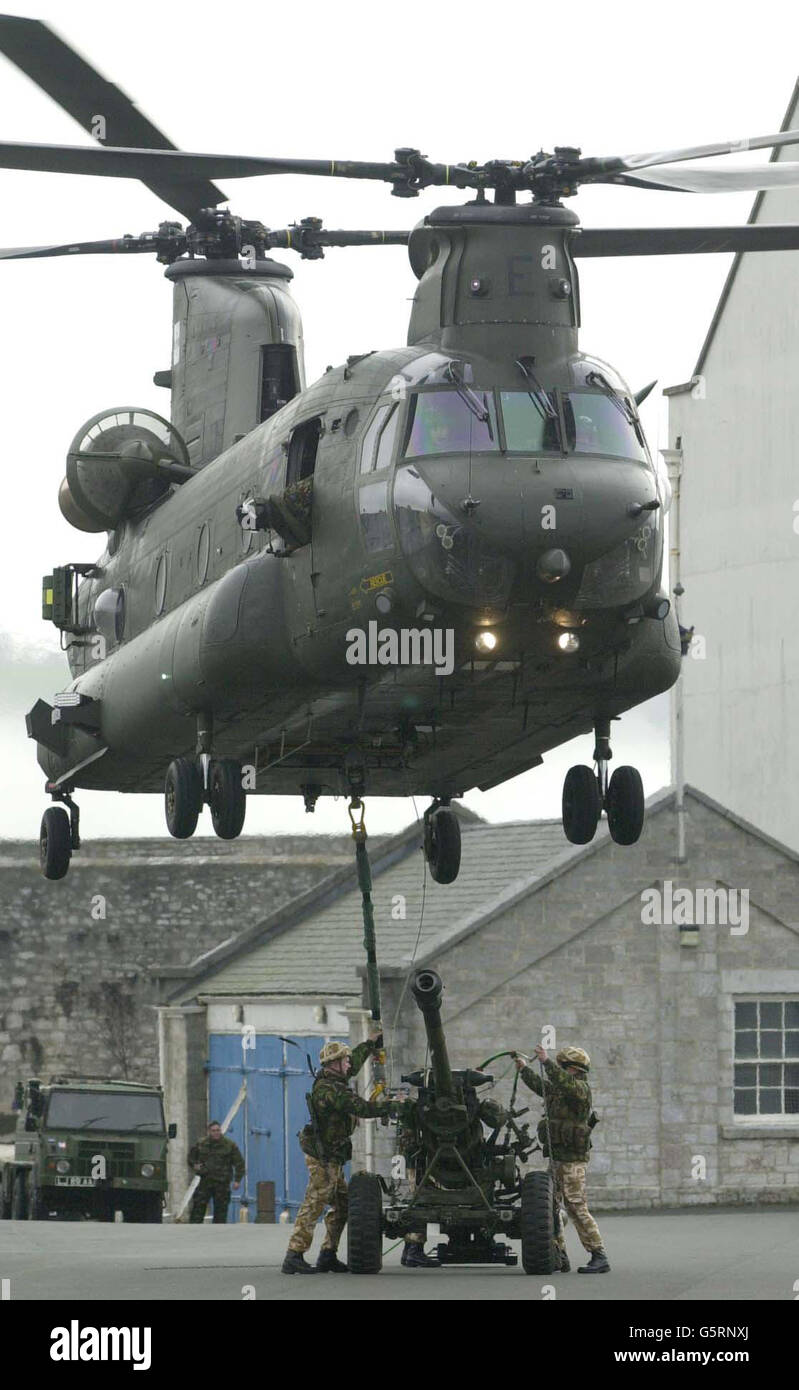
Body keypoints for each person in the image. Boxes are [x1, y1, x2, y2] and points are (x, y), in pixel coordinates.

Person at [282, 1030, 399, 1274]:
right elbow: (362, 1108)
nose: (349, 1064)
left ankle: (327, 1254)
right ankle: (294, 1254)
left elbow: (354, 1062)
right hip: (323, 1157)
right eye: (344, 1061)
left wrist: (370, 1043)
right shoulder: (330, 1090)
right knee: (314, 1202)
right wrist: (394, 1106)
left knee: (345, 1203)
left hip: (333, 1156)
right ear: (335, 1064)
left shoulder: (335, 1079)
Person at [516, 1044, 610, 1273]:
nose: (560, 1070)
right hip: (557, 1159)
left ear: (574, 1069)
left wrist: (546, 1062)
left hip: (572, 1161)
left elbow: (562, 1083)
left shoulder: (579, 1090)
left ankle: (599, 1255)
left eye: (562, 1067)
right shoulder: (562, 1090)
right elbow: (543, 1087)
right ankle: (559, 1254)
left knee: (576, 1206)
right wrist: (524, 1069)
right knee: (552, 1207)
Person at [187, 1120, 245, 1225]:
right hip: (205, 1181)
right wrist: (195, 1165)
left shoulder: (229, 1145)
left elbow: (239, 1163)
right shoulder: (202, 1144)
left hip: (222, 1182)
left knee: (221, 1211)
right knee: (198, 1208)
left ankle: (218, 1234)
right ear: (209, 1131)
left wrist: (237, 1180)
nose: (216, 1133)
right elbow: (191, 1157)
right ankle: (194, 1232)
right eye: (213, 1131)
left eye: (218, 1130)